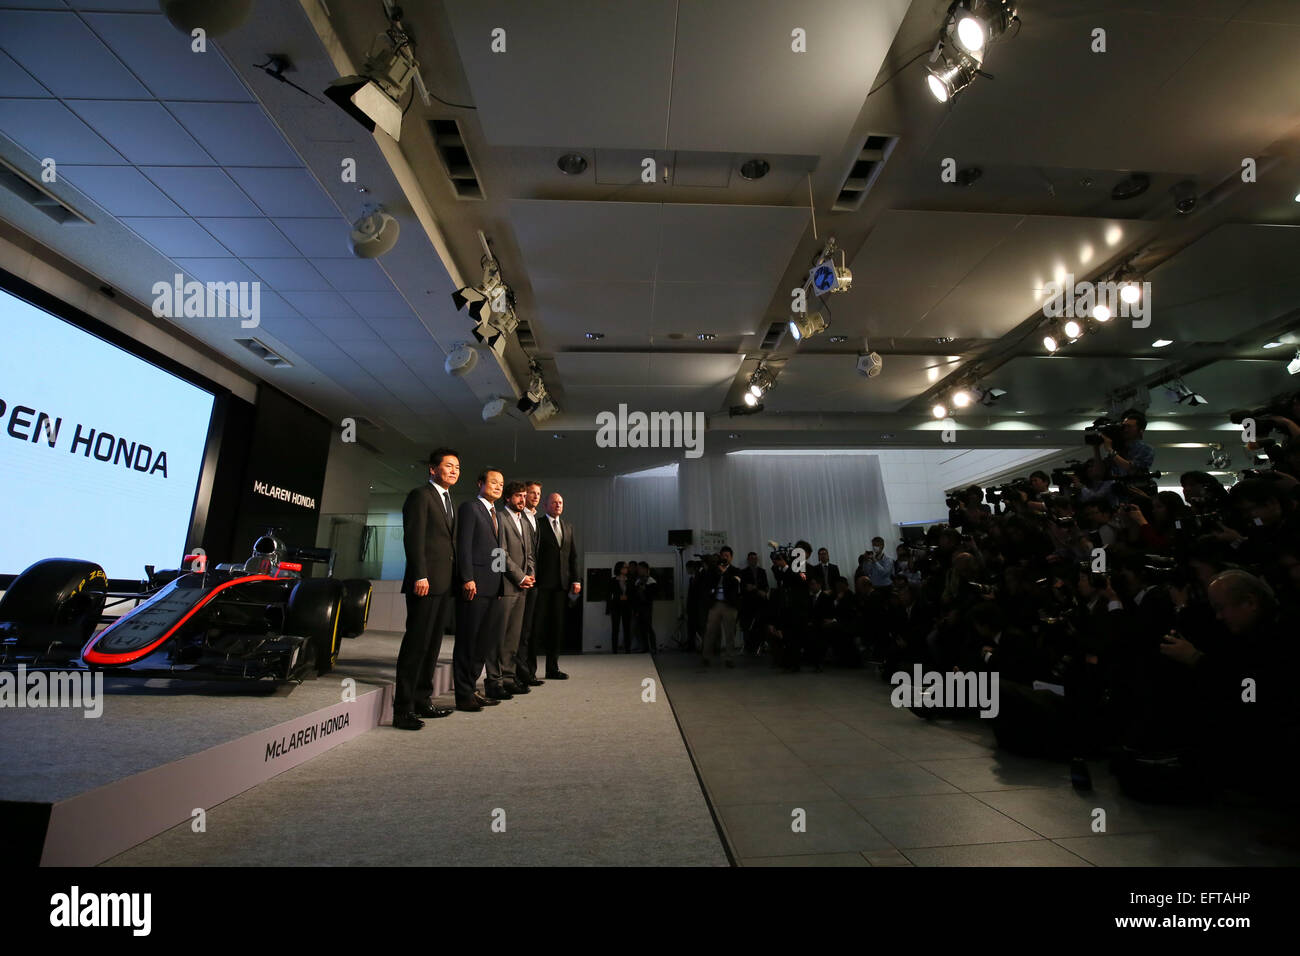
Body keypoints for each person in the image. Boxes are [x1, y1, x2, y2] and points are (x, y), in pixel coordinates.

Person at [393, 447, 459, 730]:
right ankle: (403, 709)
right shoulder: (421, 495)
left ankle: (422, 700)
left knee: (432, 646)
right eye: (449, 465)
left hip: (443, 584)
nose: (454, 470)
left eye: (458, 467)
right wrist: (420, 574)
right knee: (416, 645)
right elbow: (414, 538)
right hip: (425, 583)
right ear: (432, 469)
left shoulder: (448, 499)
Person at [453, 468, 507, 711]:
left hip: (493, 586)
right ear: (480, 483)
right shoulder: (470, 507)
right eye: (493, 482)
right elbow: (463, 545)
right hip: (474, 585)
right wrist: (467, 577)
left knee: (483, 643)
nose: (498, 486)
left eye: (501, 484)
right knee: (468, 641)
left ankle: (473, 689)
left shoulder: (497, 514)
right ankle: (463, 694)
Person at [533, 492, 582, 679]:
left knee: (556, 628)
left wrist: (575, 580)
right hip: (541, 584)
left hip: (561, 586)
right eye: (554, 502)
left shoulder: (568, 527)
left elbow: (573, 556)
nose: (558, 505)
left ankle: (552, 668)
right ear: (545, 506)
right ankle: (530, 671)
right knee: (537, 628)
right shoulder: (538, 525)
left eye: (560, 502)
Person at [496, 481, 536, 695]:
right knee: (500, 637)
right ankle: (497, 680)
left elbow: (529, 554)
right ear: (508, 498)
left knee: (514, 636)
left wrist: (530, 574)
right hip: (505, 586)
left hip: (522, 587)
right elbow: (499, 553)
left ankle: (510, 678)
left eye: (524, 495)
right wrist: (520, 577)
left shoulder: (525, 522)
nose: (523, 499)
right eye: (518, 496)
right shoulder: (500, 518)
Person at [514, 480, 544, 687]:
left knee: (530, 629)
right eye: (530, 493)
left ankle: (528, 672)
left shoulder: (536, 520)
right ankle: (517, 673)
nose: (534, 496)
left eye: (537, 493)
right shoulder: (516, 517)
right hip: (517, 580)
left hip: (533, 580)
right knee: (519, 630)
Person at [701, 547, 743, 667]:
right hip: (715, 604)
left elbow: (735, 583)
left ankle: (729, 658)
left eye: (727, 555)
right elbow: (707, 583)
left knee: (730, 633)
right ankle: (706, 656)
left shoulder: (736, 570)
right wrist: (715, 569)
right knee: (710, 631)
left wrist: (724, 572)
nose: (725, 558)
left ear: (731, 557)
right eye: (723, 555)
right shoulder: (713, 570)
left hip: (729, 605)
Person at [607, 561, 633, 652]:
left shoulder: (629, 580)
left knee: (627, 628)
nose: (626, 569)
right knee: (615, 629)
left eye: (626, 567)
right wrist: (618, 597)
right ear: (620, 568)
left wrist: (627, 597)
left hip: (627, 607)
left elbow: (633, 594)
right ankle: (614, 650)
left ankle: (628, 649)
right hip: (616, 606)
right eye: (625, 567)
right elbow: (609, 595)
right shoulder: (613, 580)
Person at [633, 561, 658, 653]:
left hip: (647, 607)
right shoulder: (638, 581)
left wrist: (645, 590)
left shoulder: (651, 581)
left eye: (639, 569)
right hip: (639, 607)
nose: (638, 570)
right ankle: (645, 647)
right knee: (641, 628)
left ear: (645, 569)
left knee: (648, 627)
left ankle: (653, 647)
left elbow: (653, 595)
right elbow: (635, 596)